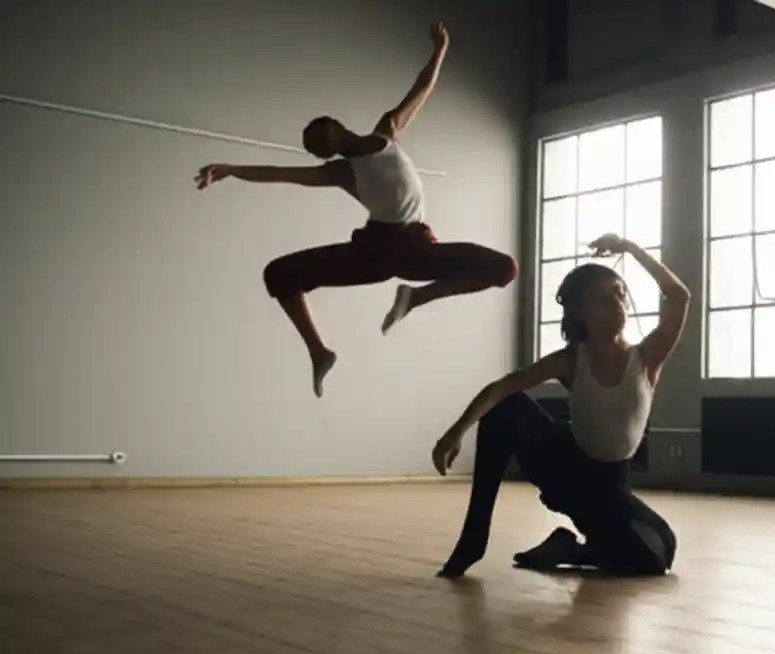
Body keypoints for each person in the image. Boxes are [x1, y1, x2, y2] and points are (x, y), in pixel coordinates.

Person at [194, 21, 517, 398]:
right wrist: (232, 170)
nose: (317, 148)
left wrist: (439, 51)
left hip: (412, 249)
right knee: (279, 274)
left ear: (335, 126)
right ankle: (319, 351)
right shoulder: (341, 171)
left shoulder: (387, 132)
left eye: (318, 139)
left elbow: (422, 90)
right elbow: (281, 173)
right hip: (376, 252)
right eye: (314, 149)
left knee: (504, 268)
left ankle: (418, 297)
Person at [431, 233, 689, 578]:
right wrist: (455, 432)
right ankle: (473, 539)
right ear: (581, 313)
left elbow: (679, 297)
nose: (616, 304)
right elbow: (504, 385)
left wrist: (629, 248)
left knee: (660, 551)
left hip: (611, 485)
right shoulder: (570, 361)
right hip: (567, 468)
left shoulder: (646, 358)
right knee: (507, 406)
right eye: (602, 299)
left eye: (619, 294)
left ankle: (573, 549)